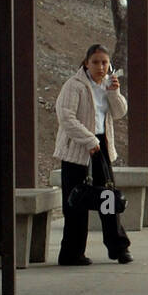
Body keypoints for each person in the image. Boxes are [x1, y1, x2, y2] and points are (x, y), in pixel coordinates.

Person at [53, 43, 132, 265]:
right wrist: (88, 140)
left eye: (105, 62)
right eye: (95, 62)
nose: (100, 67)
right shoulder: (74, 85)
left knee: (108, 198)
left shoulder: (107, 85)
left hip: (102, 149)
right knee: (75, 202)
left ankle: (118, 248)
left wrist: (114, 92)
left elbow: (119, 113)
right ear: (86, 63)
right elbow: (66, 117)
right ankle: (71, 253)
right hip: (77, 150)